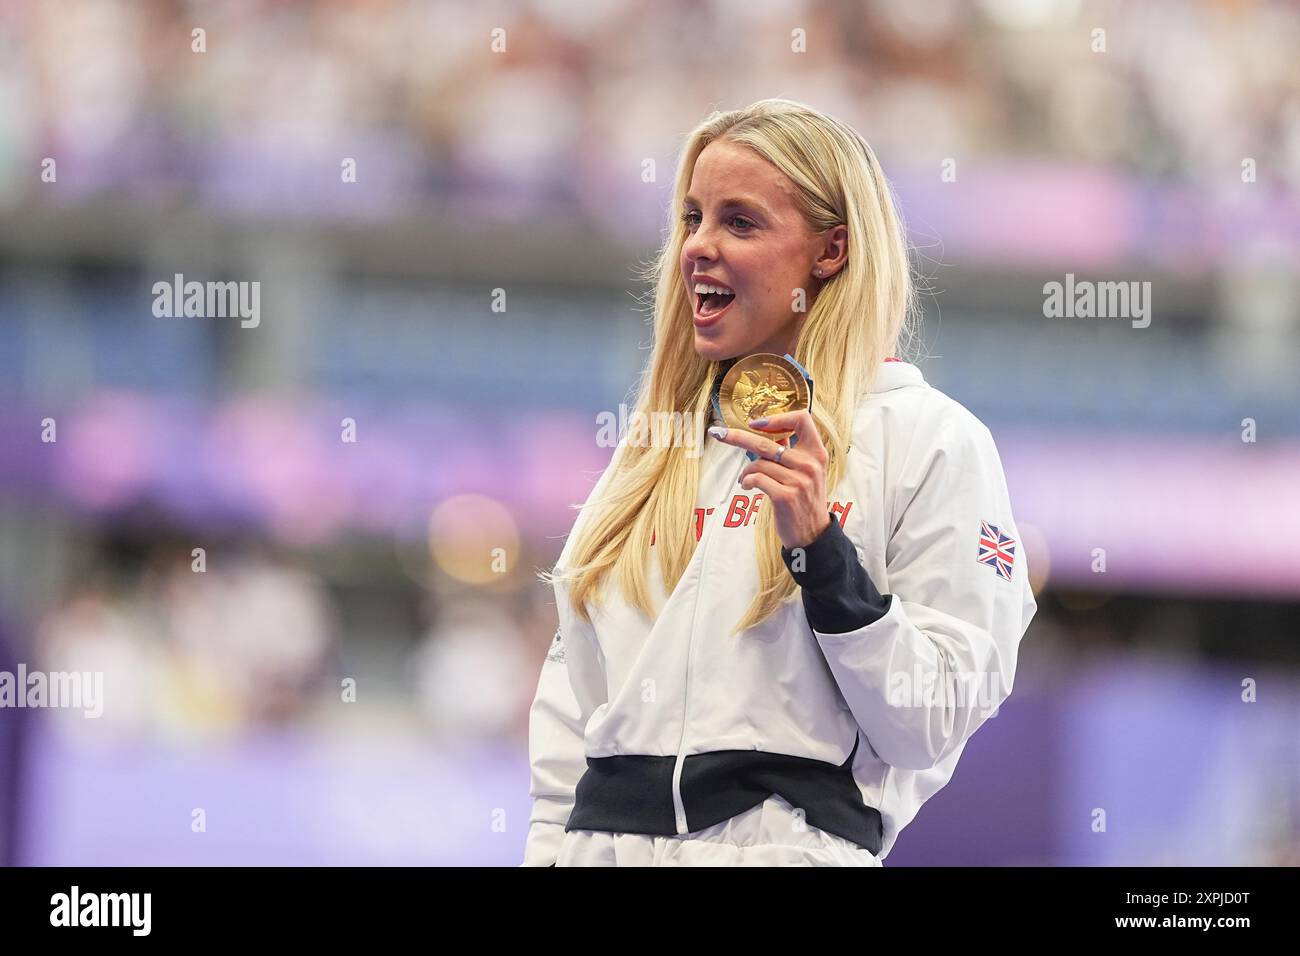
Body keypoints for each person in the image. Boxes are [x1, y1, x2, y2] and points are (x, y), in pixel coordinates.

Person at [522, 98, 1037, 867]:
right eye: (691, 217)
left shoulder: (931, 438)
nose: (697, 246)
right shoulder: (653, 447)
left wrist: (826, 560)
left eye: (740, 222)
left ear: (830, 251)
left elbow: (931, 718)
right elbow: (573, 719)